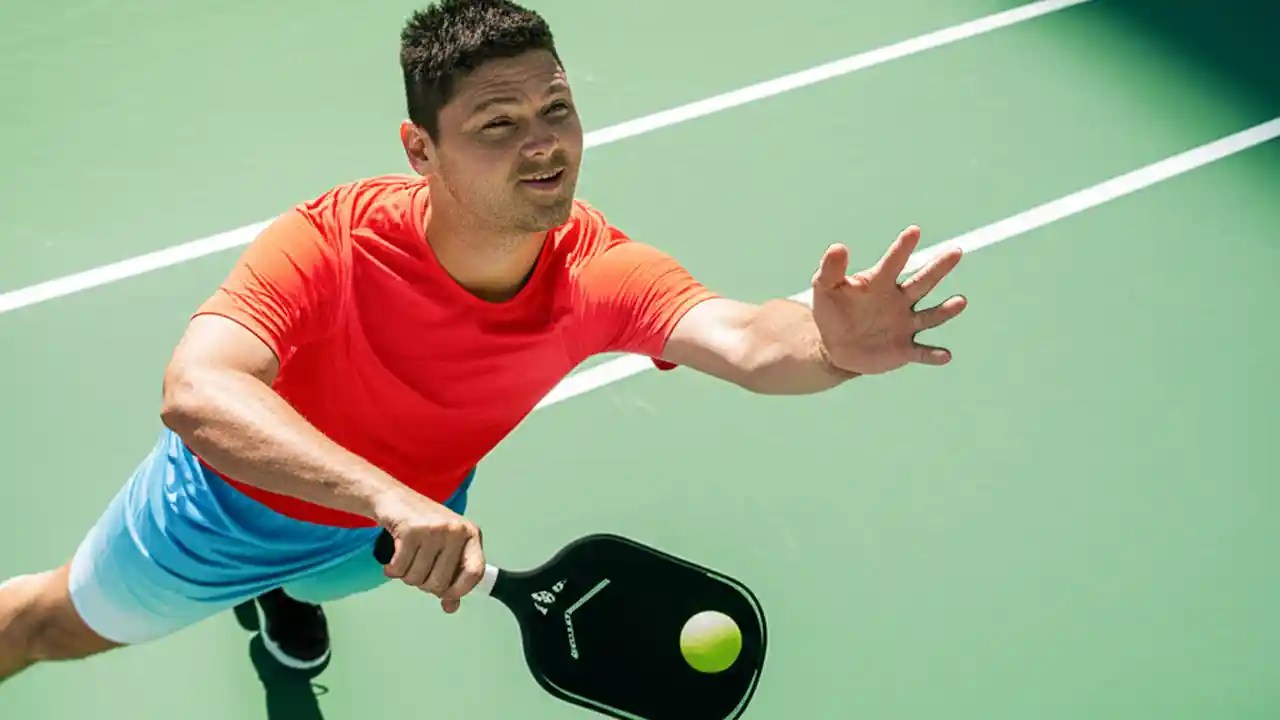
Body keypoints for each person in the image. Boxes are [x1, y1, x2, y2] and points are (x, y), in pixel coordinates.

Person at [0, 0, 966, 682]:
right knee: (42, 629)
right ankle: (266, 584)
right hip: (222, 516)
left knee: (329, 580)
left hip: (389, 529)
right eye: (498, 124)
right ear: (420, 149)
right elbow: (197, 392)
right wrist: (388, 499)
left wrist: (831, 346)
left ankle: (293, 595)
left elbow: (752, 342)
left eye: (556, 110)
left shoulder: (595, 270)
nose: (543, 144)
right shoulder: (328, 244)